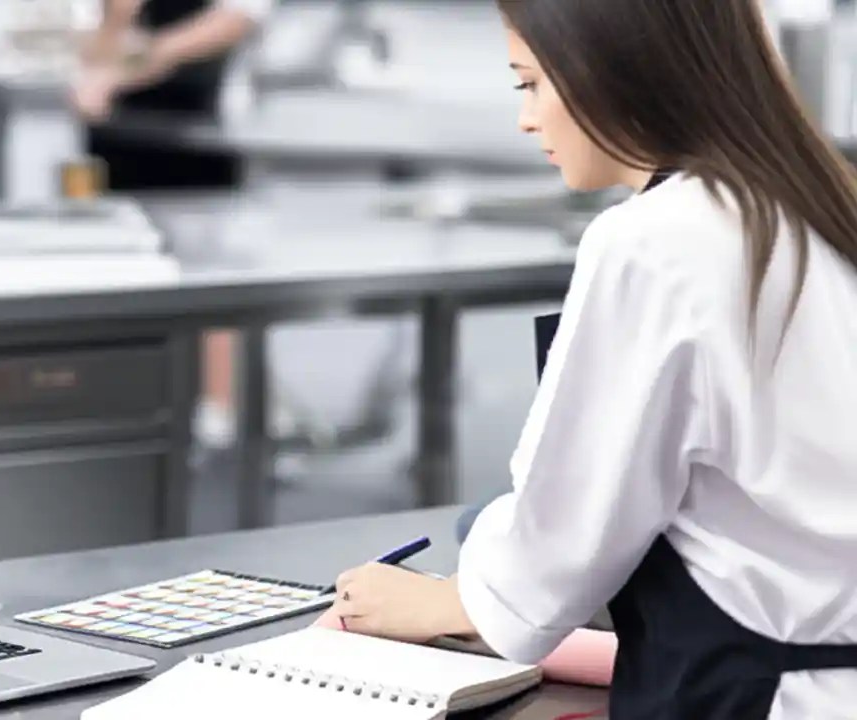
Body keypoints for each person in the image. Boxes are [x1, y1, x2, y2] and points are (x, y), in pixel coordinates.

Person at [317, 1, 857, 718]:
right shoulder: (818, 203)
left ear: (608, 68)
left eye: (529, 83)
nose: (526, 119)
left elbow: (558, 553)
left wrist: (442, 601)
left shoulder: (656, 240)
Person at [71, 0, 273, 190]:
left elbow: (233, 23)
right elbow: (93, 49)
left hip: (206, 140)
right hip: (116, 135)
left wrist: (125, 71)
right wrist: (118, 16)